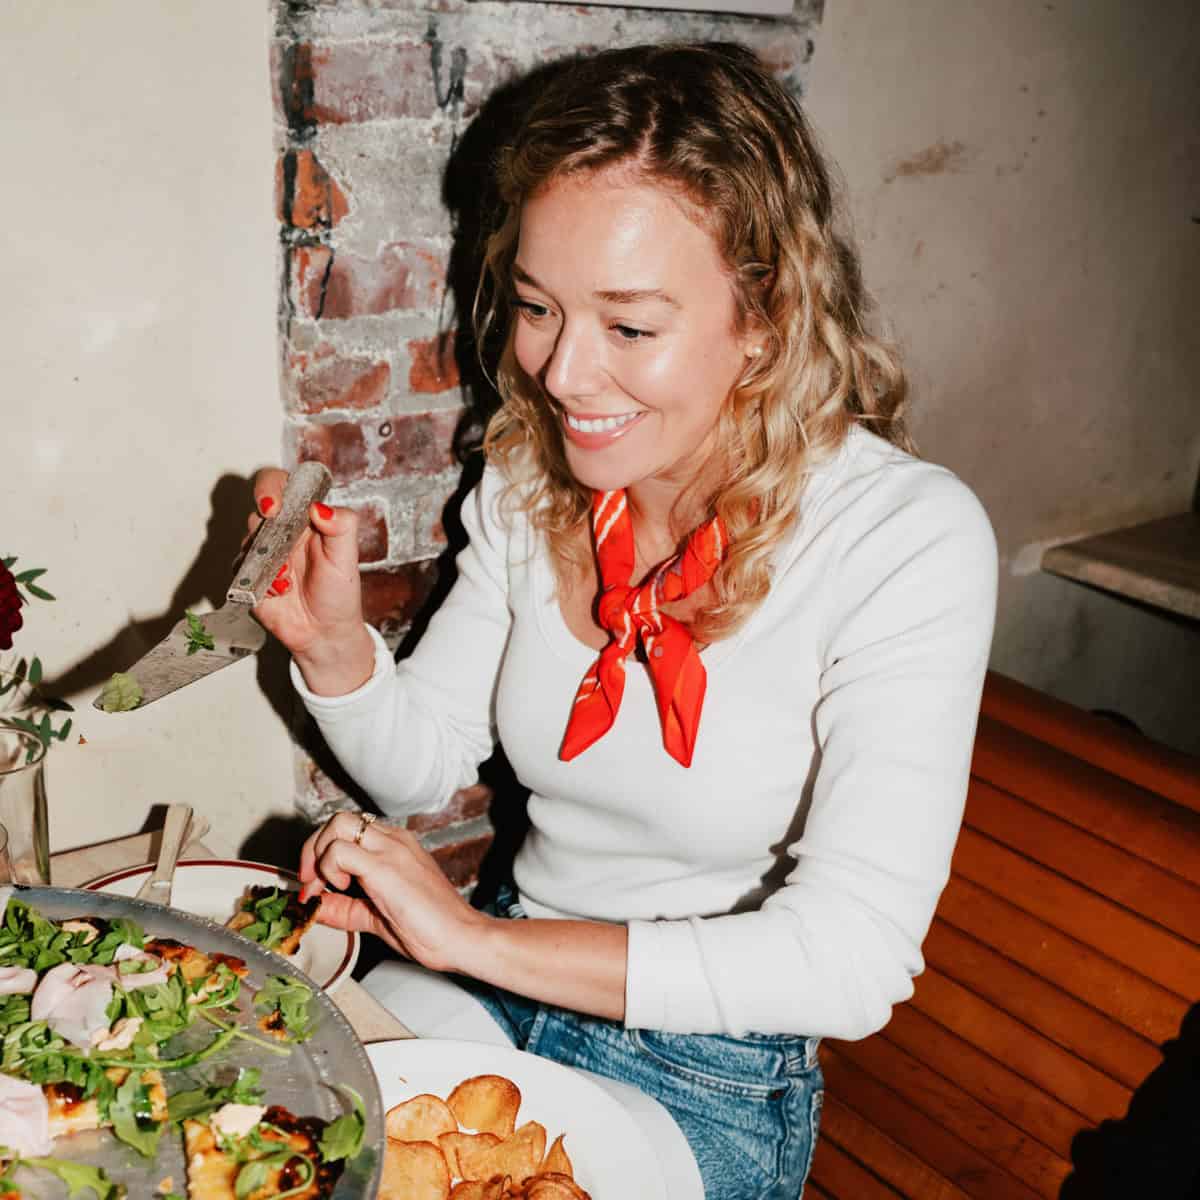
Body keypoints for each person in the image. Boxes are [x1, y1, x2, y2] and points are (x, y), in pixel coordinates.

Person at [251, 42, 998, 1199]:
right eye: (538, 308)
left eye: (630, 327)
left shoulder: (901, 538)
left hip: (708, 1066)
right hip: (494, 981)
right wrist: (334, 649)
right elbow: (421, 768)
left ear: (766, 318)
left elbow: (851, 962)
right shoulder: (530, 478)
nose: (563, 374)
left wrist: (474, 937)